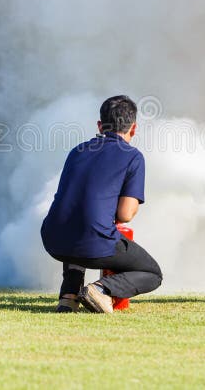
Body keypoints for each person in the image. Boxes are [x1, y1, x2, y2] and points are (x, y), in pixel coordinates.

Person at [40, 95, 162, 313]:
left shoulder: (77, 151)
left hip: (53, 238)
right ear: (133, 129)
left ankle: (68, 296)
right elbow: (125, 215)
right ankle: (101, 289)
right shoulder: (133, 156)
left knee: (79, 229)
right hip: (91, 244)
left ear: (99, 125)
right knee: (153, 273)